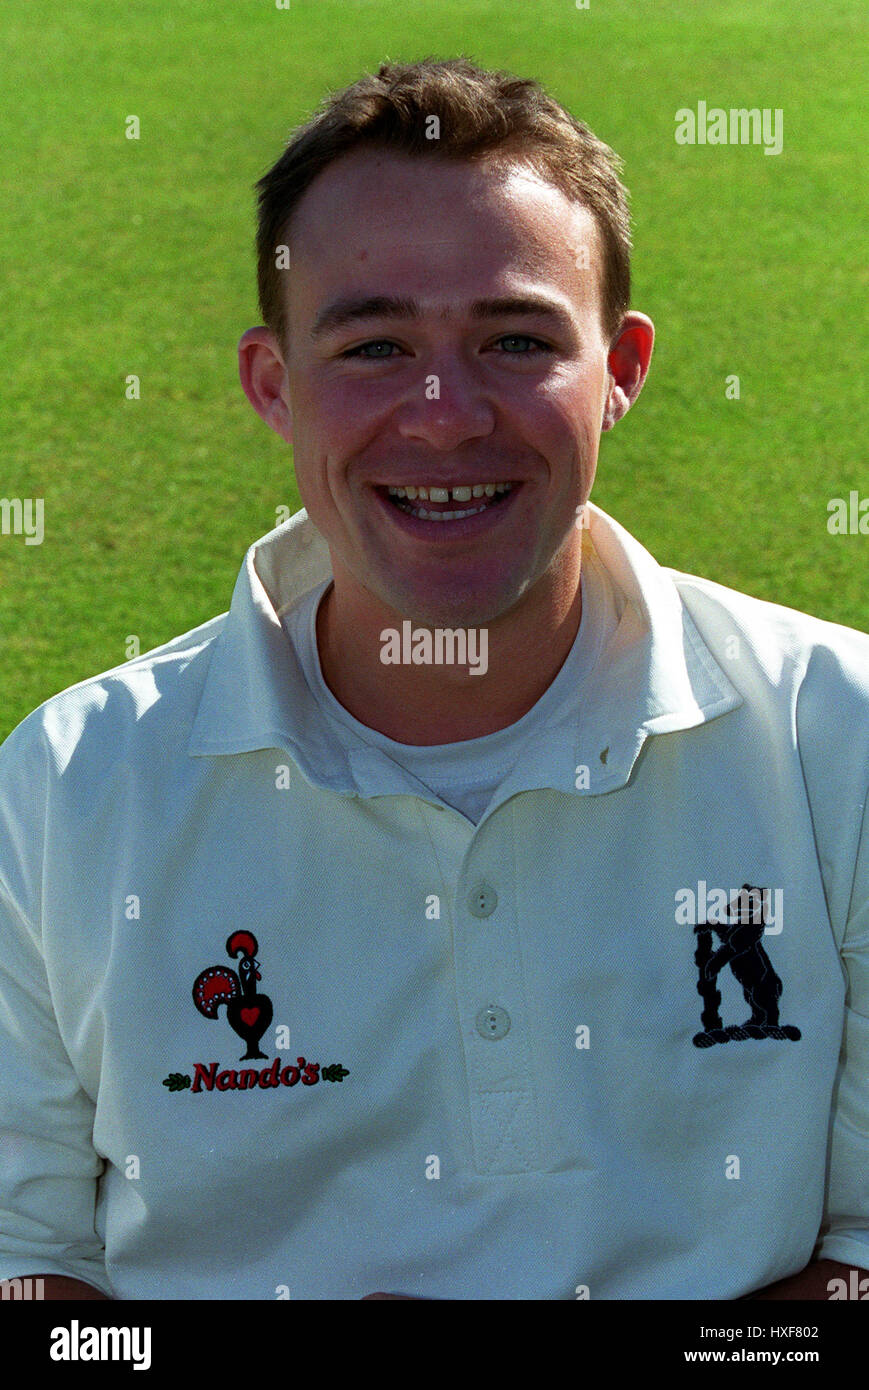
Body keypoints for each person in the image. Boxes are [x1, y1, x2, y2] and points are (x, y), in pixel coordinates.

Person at [0, 57, 866, 1302]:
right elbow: (32, 1277)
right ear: (272, 384)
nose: (446, 415)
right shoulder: (64, 787)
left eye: (515, 339)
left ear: (618, 370)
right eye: (372, 345)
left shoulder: (835, 740)